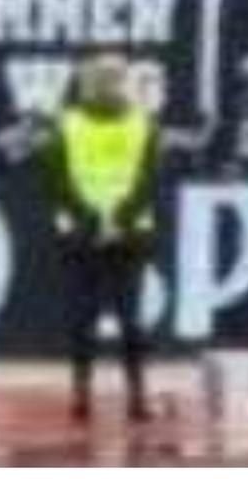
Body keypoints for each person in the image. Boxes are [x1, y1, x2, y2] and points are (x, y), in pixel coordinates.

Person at [44, 53, 160, 422]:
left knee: (95, 317)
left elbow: (58, 182)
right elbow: (56, 180)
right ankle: (126, 396)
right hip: (118, 231)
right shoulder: (142, 125)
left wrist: (97, 220)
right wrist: (111, 219)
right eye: (106, 79)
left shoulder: (67, 125)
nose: (110, 85)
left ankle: (95, 395)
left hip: (94, 232)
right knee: (115, 317)